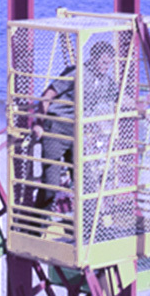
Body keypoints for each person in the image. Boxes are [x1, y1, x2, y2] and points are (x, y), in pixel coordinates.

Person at [30, 40, 118, 211]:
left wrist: (144, 108)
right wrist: (38, 123)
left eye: (109, 63)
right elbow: (47, 95)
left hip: (76, 131)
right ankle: (35, 229)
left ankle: (89, 230)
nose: (106, 66)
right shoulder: (76, 72)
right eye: (103, 62)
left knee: (86, 183)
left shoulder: (105, 81)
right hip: (56, 127)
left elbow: (121, 99)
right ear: (93, 58)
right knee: (51, 184)